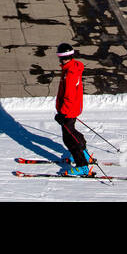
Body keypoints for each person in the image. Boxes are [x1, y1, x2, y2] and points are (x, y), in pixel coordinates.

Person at [53, 42, 92, 176]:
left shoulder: (69, 73)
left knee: (69, 139)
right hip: (72, 108)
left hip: (68, 110)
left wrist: (62, 113)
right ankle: (85, 155)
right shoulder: (73, 67)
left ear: (61, 57)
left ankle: (82, 166)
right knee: (73, 132)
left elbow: (69, 96)